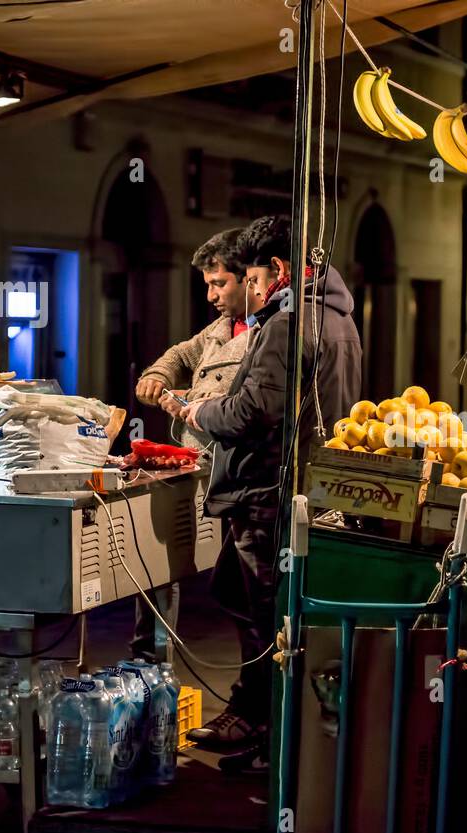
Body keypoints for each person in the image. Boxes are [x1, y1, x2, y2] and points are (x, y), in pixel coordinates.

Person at [163, 215, 362, 759]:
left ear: (276, 270)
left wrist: (200, 410)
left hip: (266, 489)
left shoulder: (285, 322)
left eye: (249, 280)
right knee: (248, 597)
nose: (247, 293)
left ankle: (272, 729)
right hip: (304, 487)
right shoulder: (340, 317)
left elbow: (255, 409)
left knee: (268, 614)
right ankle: (264, 717)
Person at [128, 229, 251, 660]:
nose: (212, 295)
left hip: (236, 470)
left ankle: (253, 686)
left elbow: (249, 406)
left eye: (220, 284)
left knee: (240, 588)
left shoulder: (269, 333)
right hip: (193, 459)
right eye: (208, 286)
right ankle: (150, 660)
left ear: (249, 278)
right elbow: (182, 354)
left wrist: (191, 405)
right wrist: (159, 375)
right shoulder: (221, 327)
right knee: (159, 563)